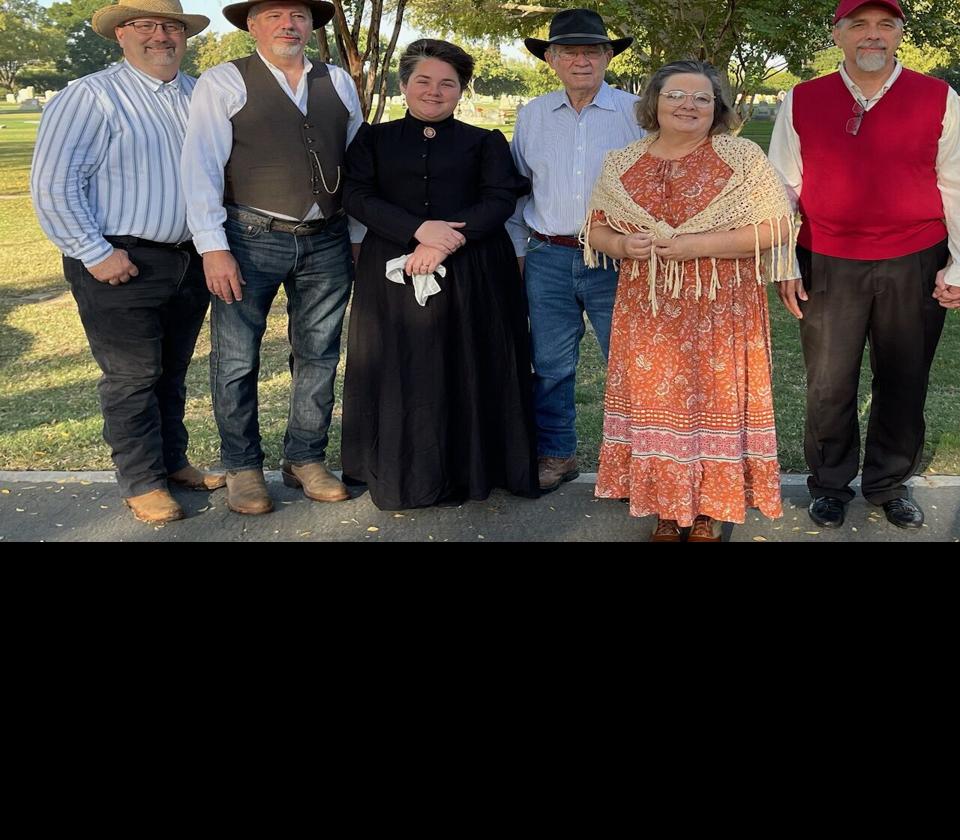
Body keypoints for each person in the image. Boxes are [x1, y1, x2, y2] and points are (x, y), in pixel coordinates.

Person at [766, 0, 960, 531]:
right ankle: (830, 484)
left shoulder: (937, 96)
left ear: (899, 35)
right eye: (859, 25)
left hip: (914, 255)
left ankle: (888, 482)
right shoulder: (803, 98)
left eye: (885, 25)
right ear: (838, 34)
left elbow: (958, 182)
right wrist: (781, 260)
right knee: (828, 383)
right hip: (827, 259)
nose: (872, 35)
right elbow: (781, 187)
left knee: (904, 378)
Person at [582, 60, 796, 542]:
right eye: (677, 94)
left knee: (714, 404)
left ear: (717, 108)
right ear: (653, 100)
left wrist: (693, 245)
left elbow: (778, 227)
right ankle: (664, 505)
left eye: (702, 98)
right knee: (657, 407)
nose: (689, 105)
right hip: (650, 309)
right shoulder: (622, 163)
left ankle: (706, 509)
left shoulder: (741, 158)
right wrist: (622, 246)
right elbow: (595, 228)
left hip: (722, 305)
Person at [29, 0, 225, 524]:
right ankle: (142, 481)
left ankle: (171, 461)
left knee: (170, 372)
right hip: (120, 259)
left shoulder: (198, 94)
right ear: (121, 34)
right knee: (132, 375)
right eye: (145, 25)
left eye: (170, 26)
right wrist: (95, 253)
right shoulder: (90, 96)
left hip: (187, 258)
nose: (159, 36)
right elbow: (52, 185)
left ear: (184, 36)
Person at [181, 0, 365, 515]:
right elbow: (200, 167)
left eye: (299, 16)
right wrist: (213, 248)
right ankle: (243, 467)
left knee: (320, 353)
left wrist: (355, 233)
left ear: (310, 25)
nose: (289, 24)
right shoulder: (224, 80)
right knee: (237, 358)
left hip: (327, 235)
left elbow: (354, 163)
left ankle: (304, 458)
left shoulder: (338, 81)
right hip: (249, 234)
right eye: (275, 15)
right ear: (253, 25)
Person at [339, 39, 536, 510]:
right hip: (393, 274)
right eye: (423, 81)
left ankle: (473, 468)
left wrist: (448, 239)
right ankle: (404, 471)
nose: (434, 91)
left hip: (473, 275)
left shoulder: (485, 140)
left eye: (447, 83)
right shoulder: (372, 139)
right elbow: (357, 196)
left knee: (467, 364)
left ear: (460, 91)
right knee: (404, 367)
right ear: (404, 85)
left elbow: (499, 198)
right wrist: (418, 232)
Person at [506, 8, 646, 493]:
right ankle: (557, 453)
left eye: (593, 50)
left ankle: (632, 461)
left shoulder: (637, 112)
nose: (581, 60)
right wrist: (520, 253)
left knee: (627, 362)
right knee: (550, 364)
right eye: (569, 51)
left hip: (618, 259)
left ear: (608, 56)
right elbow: (518, 190)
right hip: (548, 254)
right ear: (551, 58)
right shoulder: (532, 115)